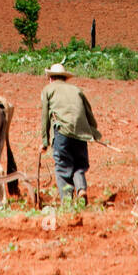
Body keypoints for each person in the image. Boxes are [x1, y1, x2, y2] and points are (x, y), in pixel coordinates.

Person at [40, 62, 102, 206]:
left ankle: (67, 203)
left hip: (62, 133)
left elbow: (45, 118)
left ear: (51, 78)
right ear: (65, 78)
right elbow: (89, 114)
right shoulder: (76, 90)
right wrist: (92, 132)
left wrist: (45, 142)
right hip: (81, 133)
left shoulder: (48, 90)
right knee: (79, 165)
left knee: (63, 167)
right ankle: (81, 189)